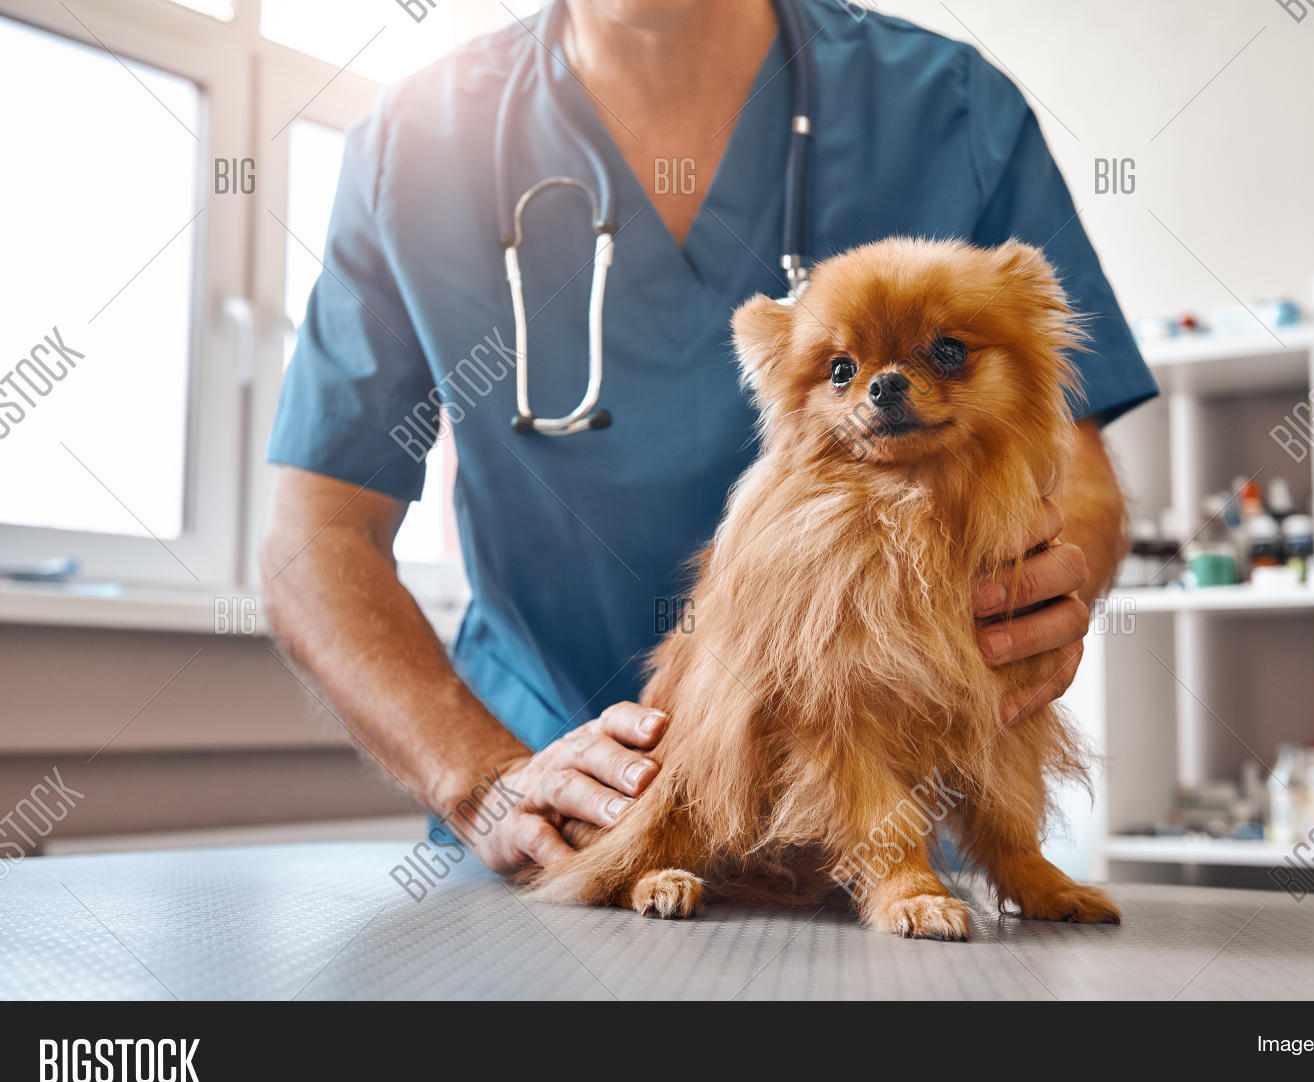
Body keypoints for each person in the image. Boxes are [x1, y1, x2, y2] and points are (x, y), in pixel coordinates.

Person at [260, 0, 1157, 878]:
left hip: (897, 814)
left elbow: (1073, 470)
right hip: (543, 808)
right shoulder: (414, 142)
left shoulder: (950, 109)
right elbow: (315, 538)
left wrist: (1030, 589)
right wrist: (485, 781)